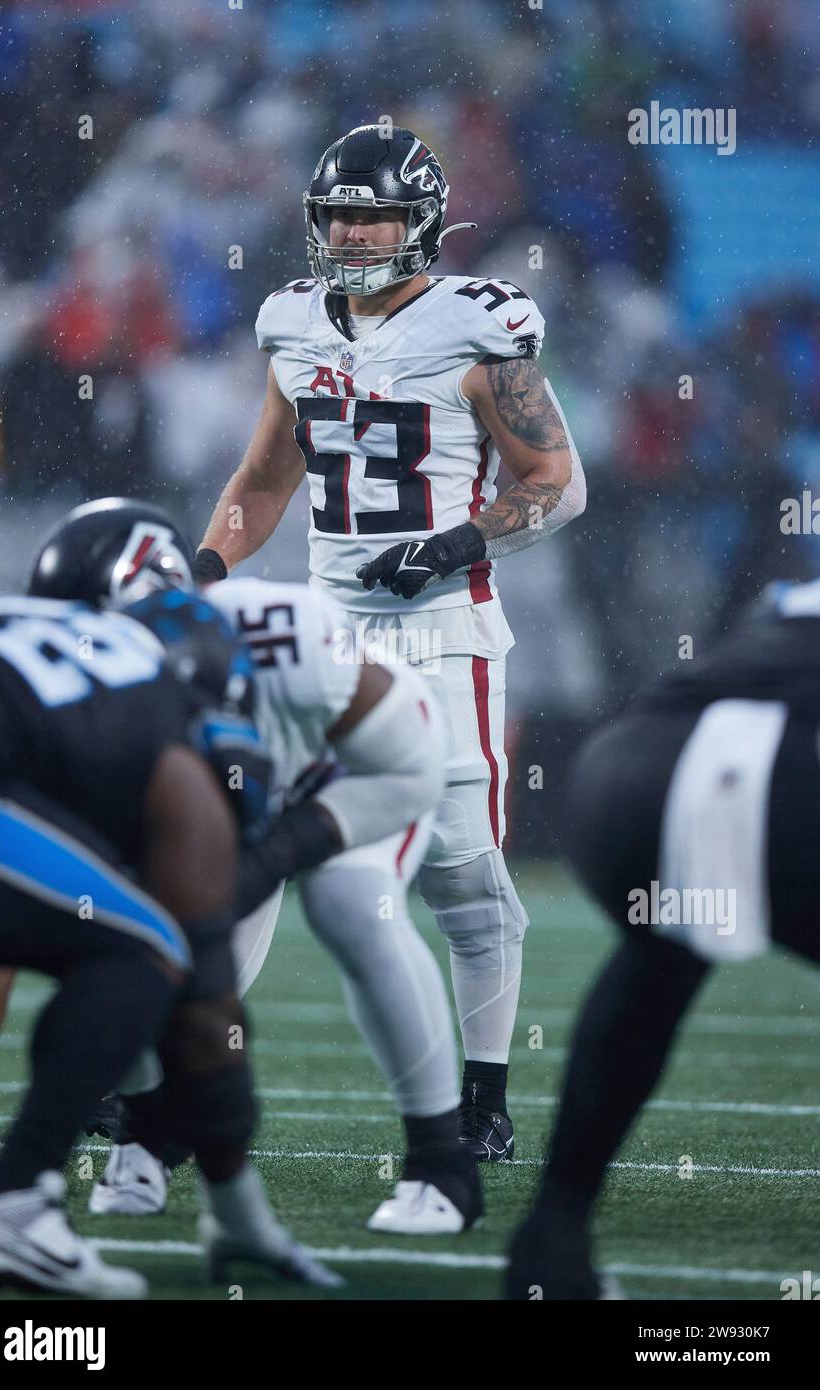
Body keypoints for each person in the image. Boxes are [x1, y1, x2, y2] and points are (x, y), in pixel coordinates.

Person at [194, 124, 587, 1160]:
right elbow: (264, 478)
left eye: (373, 217)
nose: (352, 234)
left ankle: (484, 1099)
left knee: (464, 873)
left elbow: (556, 482)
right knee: (246, 852)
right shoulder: (291, 322)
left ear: (423, 222)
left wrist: (453, 543)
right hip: (320, 632)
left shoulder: (476, 326)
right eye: (337, 215)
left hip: (442, 632)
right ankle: (184, 1080)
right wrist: (203, 570)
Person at [30, 496, 481, 1236]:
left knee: (349, 904)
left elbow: (412, 763)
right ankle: (147, 1132)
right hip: (223, 809)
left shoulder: (284, 638)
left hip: (353, 773)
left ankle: (442, 1165)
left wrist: (280, 851)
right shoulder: (72, 696)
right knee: (133, 936)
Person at [0, 578, 338, 1295]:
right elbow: (205, 995)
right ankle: (17, 1202)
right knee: (143, 945)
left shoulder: (55, 651)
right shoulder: (172, 720)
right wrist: (238, 1198)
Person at [506, 579, 820, 1298]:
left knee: (662, 954)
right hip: (775, 777)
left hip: (631, 772)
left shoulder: (790, 596)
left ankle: (552, 1236)